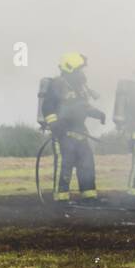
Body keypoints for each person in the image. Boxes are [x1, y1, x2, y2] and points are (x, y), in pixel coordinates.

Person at [40, 52, 105, 202]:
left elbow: (84, 107)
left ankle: (89, 197)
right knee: (65, 166)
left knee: (87, 164)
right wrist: (54, 124)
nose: (81, 73)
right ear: (69, 69)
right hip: (64, 134)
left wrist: (97, 113)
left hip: (80, 132)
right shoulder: (57, 84)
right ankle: (60, 199)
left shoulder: (79, 87)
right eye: (78, 70)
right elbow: (47, 107)